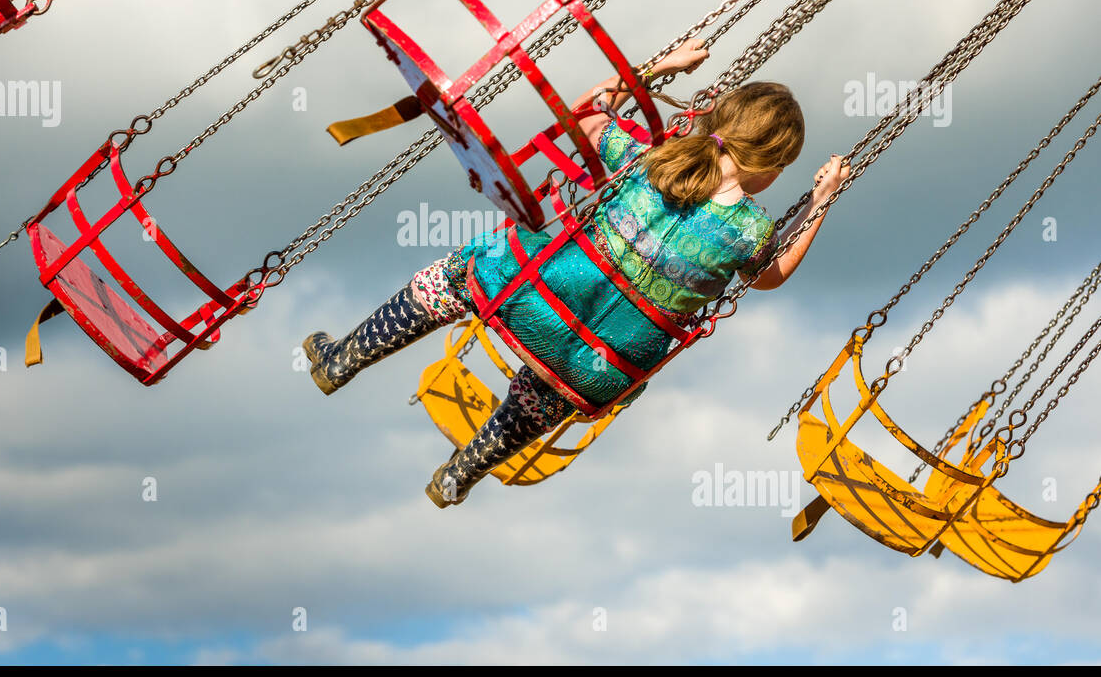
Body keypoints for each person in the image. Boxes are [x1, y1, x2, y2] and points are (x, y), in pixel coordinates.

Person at [302, 39, 851, 508]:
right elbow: (772, 275)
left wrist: (661, 66)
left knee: (453, 278)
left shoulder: (648, 157)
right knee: (548, 391)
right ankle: (458, 474)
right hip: (597, 361)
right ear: (770, 165)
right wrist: (821, 201)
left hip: (528, 291)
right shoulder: (750, 230)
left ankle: (345, 358)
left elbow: (586, 112)